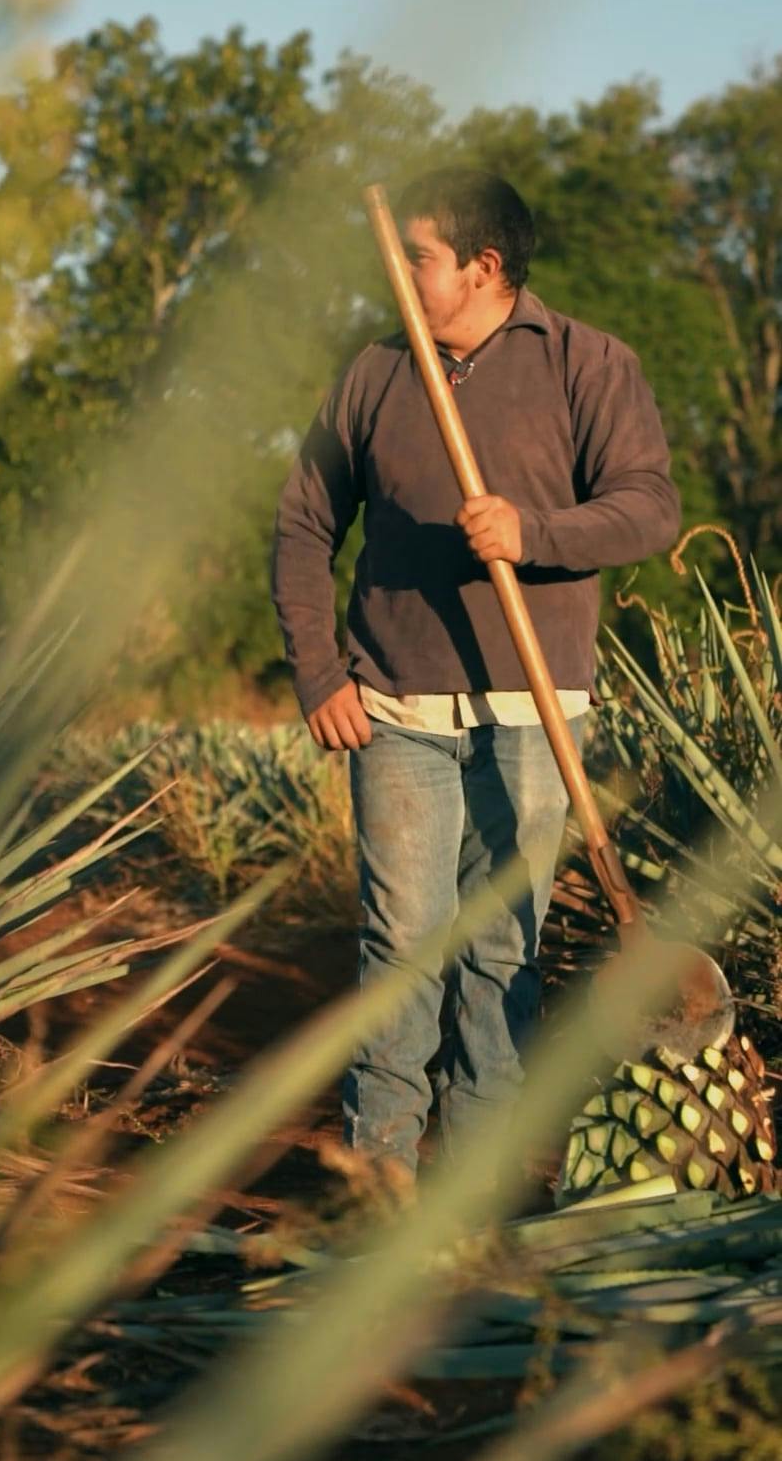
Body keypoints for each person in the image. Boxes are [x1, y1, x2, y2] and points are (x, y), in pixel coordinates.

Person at [270, 168, 681, 1183]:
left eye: (416, 256)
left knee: (504, 953)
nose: (398, 275)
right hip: (394, 709)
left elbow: (648, 507)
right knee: (401, 949)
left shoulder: (589, 363)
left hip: (535, 718)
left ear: (482, 267)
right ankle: (382, 1179)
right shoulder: (372, 374)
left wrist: (532, 532)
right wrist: (320, 672)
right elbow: (302, 526)